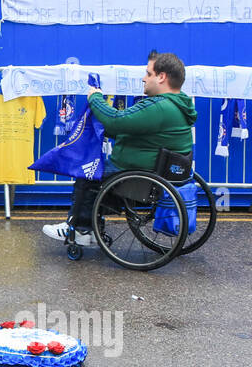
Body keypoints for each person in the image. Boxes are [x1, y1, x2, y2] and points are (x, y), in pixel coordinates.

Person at [43, 51, 196, 246]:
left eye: (148, 74)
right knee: (96, 171)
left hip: (139, 176)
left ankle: (80, 228)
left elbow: (116, 121)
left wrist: (96, 98)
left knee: (88, 173)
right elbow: (138, 132)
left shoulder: (160, 107)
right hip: (161, 173)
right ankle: (90, 224)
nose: (144, 78)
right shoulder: (178, 105)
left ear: (162, 77)